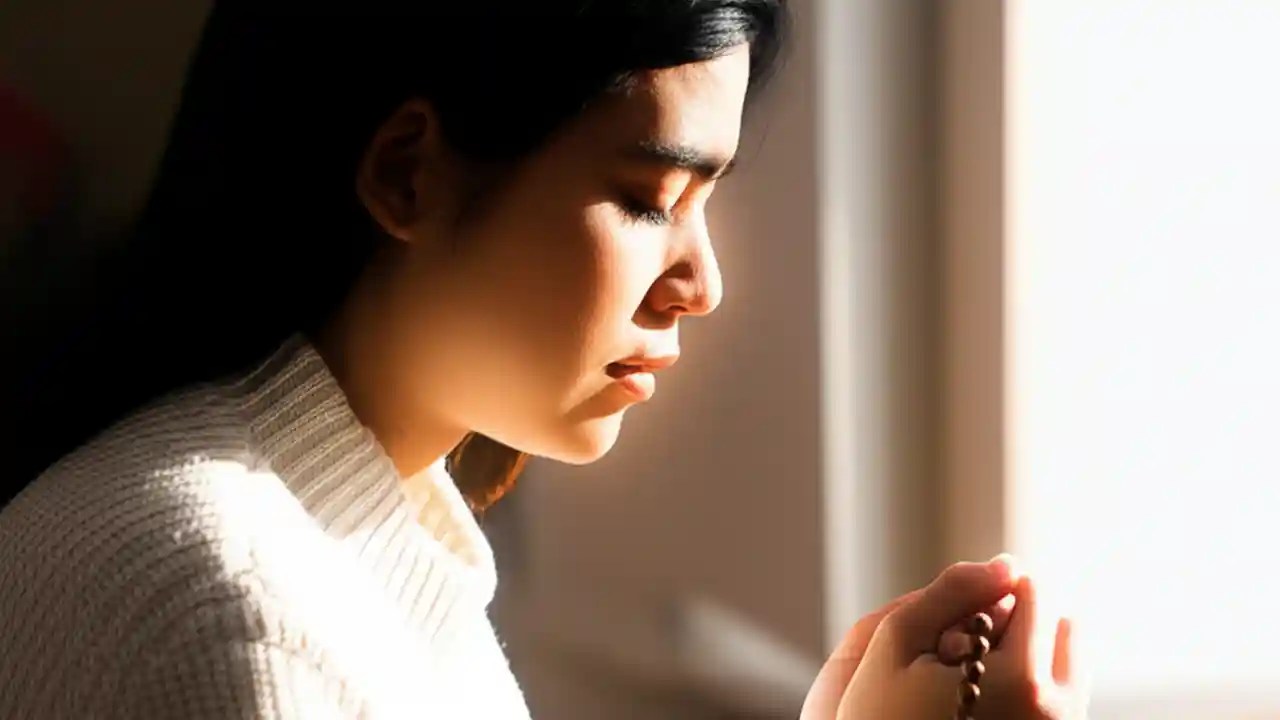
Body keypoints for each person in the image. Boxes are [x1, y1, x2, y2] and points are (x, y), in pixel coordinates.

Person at [0, 2, 1087, 718]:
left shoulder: (357, 551)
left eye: (706, 202)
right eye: (648, 198)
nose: (701, 282)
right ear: (408, 173)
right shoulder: (237, 609)